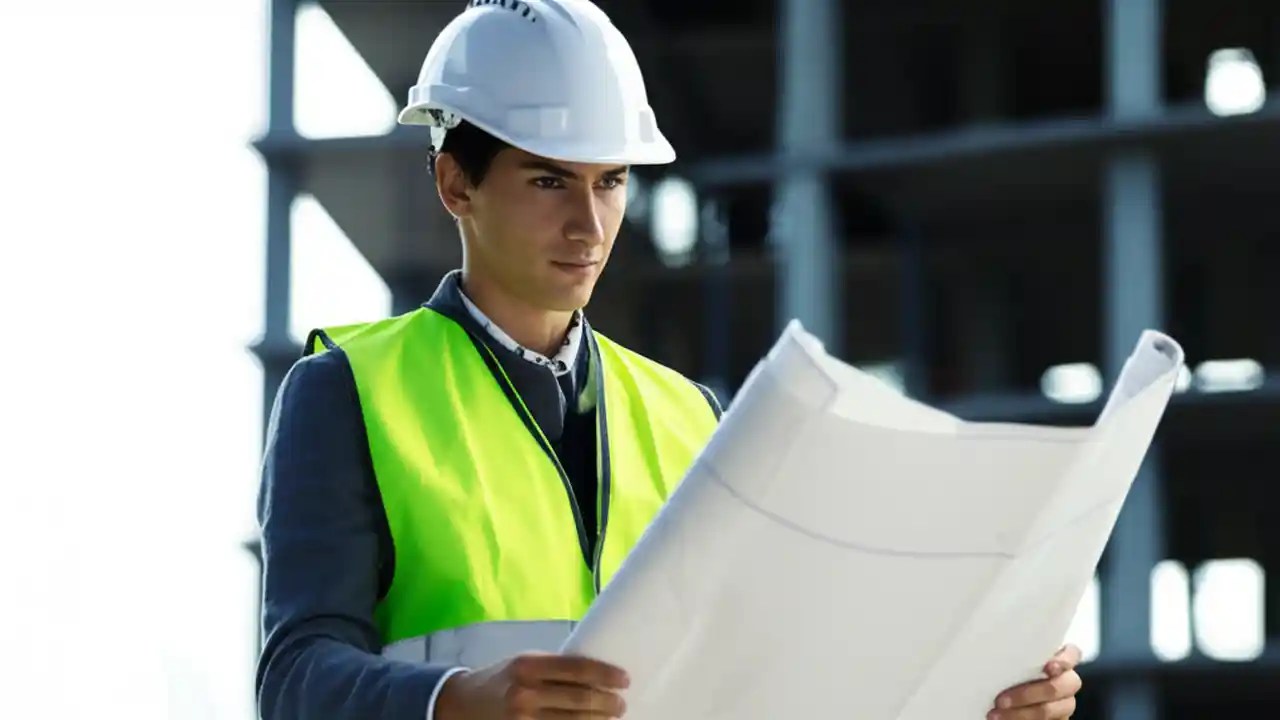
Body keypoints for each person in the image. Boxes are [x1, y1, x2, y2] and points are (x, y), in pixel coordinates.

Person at [254, 1, 1085, 718]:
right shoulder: (350, 391)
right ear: (454, 184)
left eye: (611, 181)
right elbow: (293, 677)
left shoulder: (692, 416)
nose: (589, 226)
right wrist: (457, 701)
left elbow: (778, 681)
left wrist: (976, 697)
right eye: (549, 182)